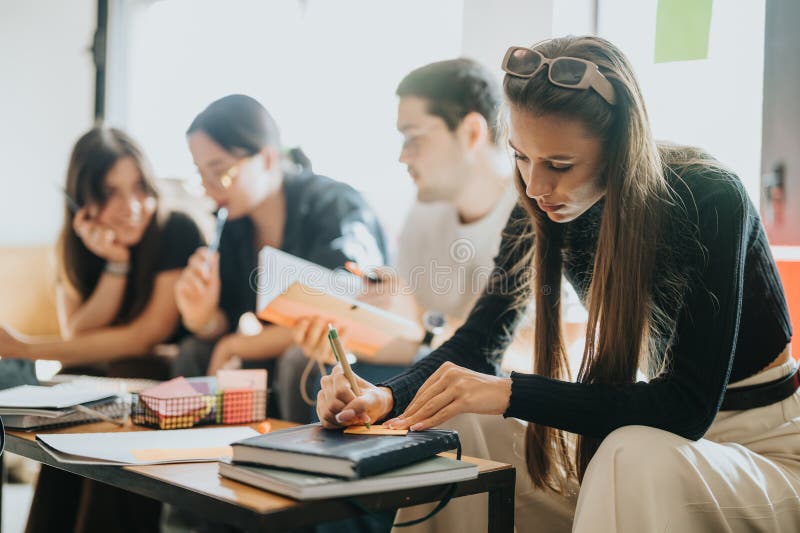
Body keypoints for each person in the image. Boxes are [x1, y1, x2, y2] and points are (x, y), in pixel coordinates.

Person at [316, 36, 799, 532]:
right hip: (645, 448)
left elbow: (685, 409)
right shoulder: (542, 202)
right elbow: (479, 343)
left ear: (620, 147)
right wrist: (385, 398)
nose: (535, 186)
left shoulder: (710, 196)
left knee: (628, 452)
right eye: (521, 157)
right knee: (456, 419)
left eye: (560, 165)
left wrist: (507, 393)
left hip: (759, 448)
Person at [286, 58, 520, 424]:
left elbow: (551, 348)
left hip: (500, 393)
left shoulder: (533, 210)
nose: (401, 156)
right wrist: (343, 339)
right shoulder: (425, 212)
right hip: (435, 365)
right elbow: (413, 337)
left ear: (472, 132)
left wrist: (427, 325)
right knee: (329, 379)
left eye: (414, 138)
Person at [0, 126, 204, 533]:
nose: (132, 206)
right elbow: (81, 335)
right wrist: (116, 265)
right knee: (75, 392)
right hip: (110, 382)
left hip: (178, 384)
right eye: (111, 193)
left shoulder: (177, 229)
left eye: (139, 188)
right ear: (84, 200)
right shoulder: (74, 244)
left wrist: (26, 348)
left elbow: (146, 335)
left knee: (112, 374)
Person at [173, 94, 388, 422]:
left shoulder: (332, 205)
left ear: (269, 158)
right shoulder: (233, 223)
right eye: (200, 174)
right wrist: (202, 317)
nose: (210, 187)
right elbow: (226, 321)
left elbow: (341, 310)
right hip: (281, 350)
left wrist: (234, 346)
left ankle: (305, 464)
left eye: (221, 171)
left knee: (297, 360)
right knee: (193, 352)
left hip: (351, 347)